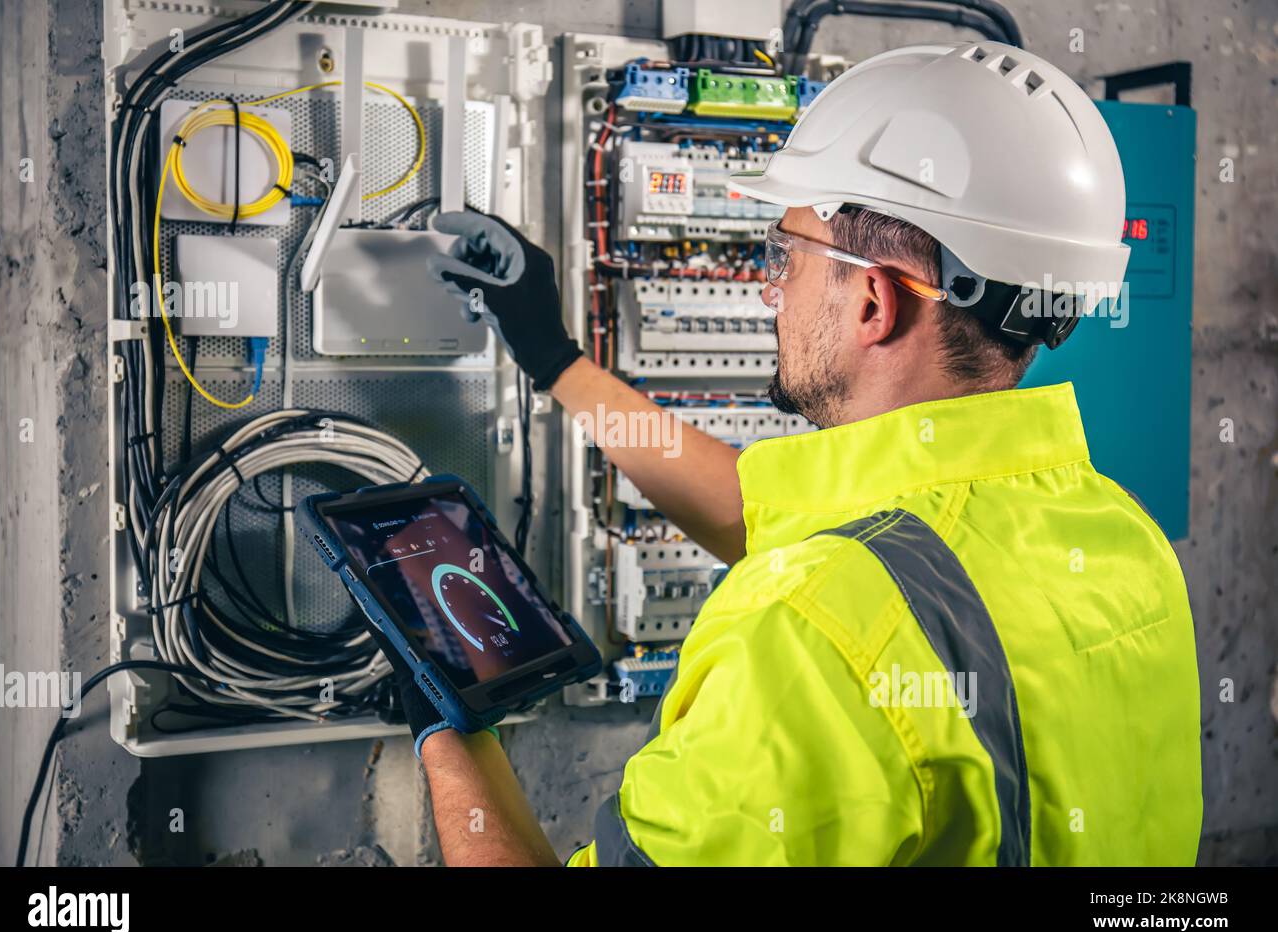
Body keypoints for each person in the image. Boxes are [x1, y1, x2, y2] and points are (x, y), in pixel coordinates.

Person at [389, 40, 1202, 866]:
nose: (769, 290)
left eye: (787, 255)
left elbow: (840, 614)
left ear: (873, 301)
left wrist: (451, 730)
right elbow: (783, 530)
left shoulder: (810, 635)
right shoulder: (1119, 539)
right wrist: (553, 357)